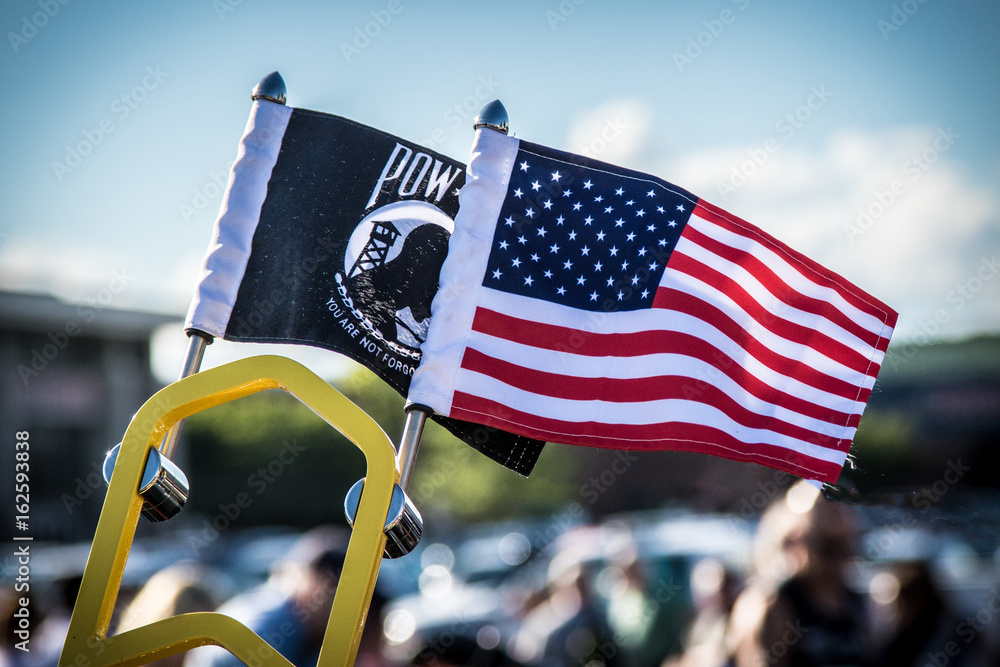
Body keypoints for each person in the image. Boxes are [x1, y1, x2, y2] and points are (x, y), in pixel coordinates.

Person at [728, 481, 872, 667]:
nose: (839, 561)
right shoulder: (774, 603)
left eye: (845, 546)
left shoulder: (855, 602)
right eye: (827, 548)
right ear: (794, 543)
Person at [184, 526, 350, 667]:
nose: (349, 613)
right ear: (319, 583)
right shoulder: (275, 627)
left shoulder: (277, 611)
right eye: (336, 589)